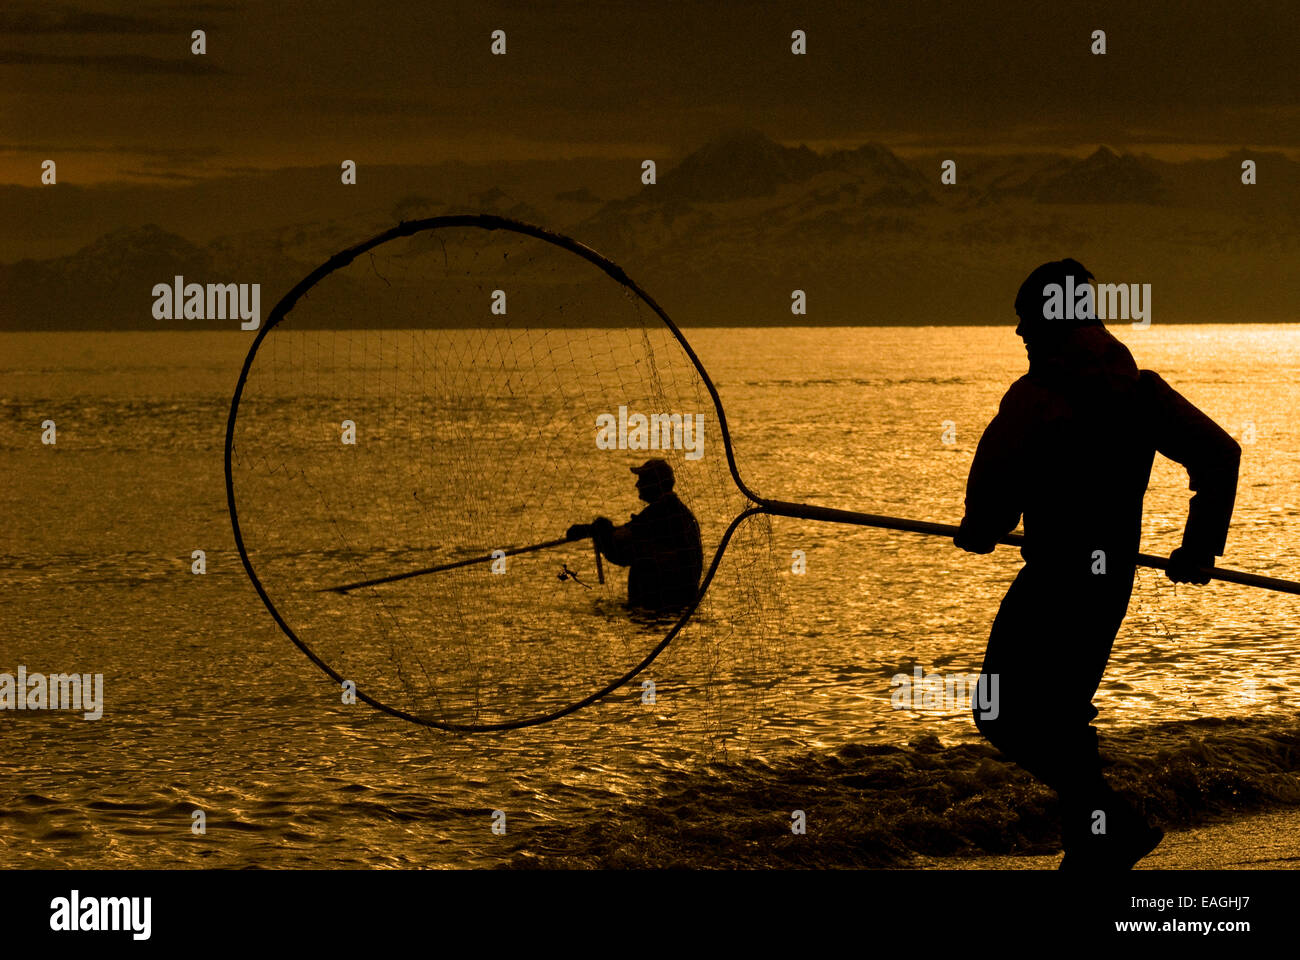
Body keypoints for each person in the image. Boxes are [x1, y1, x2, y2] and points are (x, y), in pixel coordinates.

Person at [954, 258, 1240, 870]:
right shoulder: (1138, 393)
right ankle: (1094, 840)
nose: (1020, 333)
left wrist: (979, 532)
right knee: (1062, 714)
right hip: (1108, 583)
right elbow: (1219, 454)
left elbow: (991, 506)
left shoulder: (1037, 398)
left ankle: (1109, 821)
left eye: (1026, 319)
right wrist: (1199, 546)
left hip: (1053, 580)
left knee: (998, 710)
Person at [567, 458, 703, 612]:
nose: (637, 485)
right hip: (684, 597)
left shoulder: (658, 512)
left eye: (642, 480)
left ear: (654, 484)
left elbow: (619, 544)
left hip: (665, 598)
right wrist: (598, 531)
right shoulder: (676, 510)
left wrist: (595, 531)